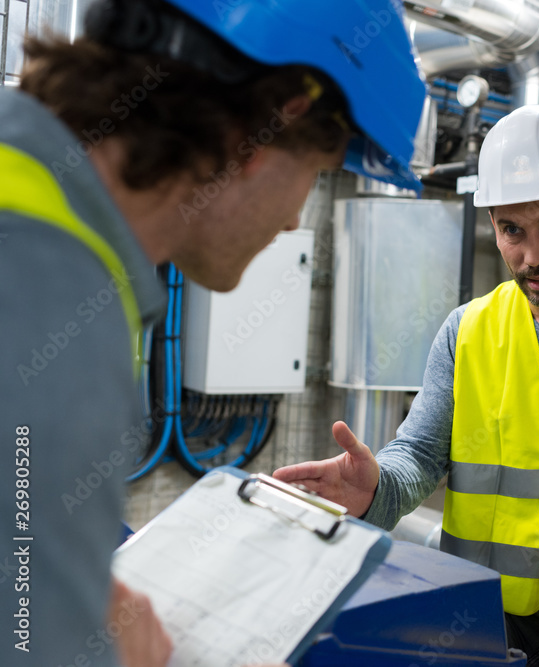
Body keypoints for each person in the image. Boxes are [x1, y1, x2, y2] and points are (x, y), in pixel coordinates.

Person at [0, 1, 425, 666]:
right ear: (260, 133)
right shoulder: (55, 302)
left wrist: (68, 588)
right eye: (315, 171)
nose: (292, 225)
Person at [274, 104, 539, 666]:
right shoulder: (467, 331)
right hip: (474, 618)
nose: (532, 256)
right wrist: (376, 490)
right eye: (511, 230)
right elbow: (419, 454)